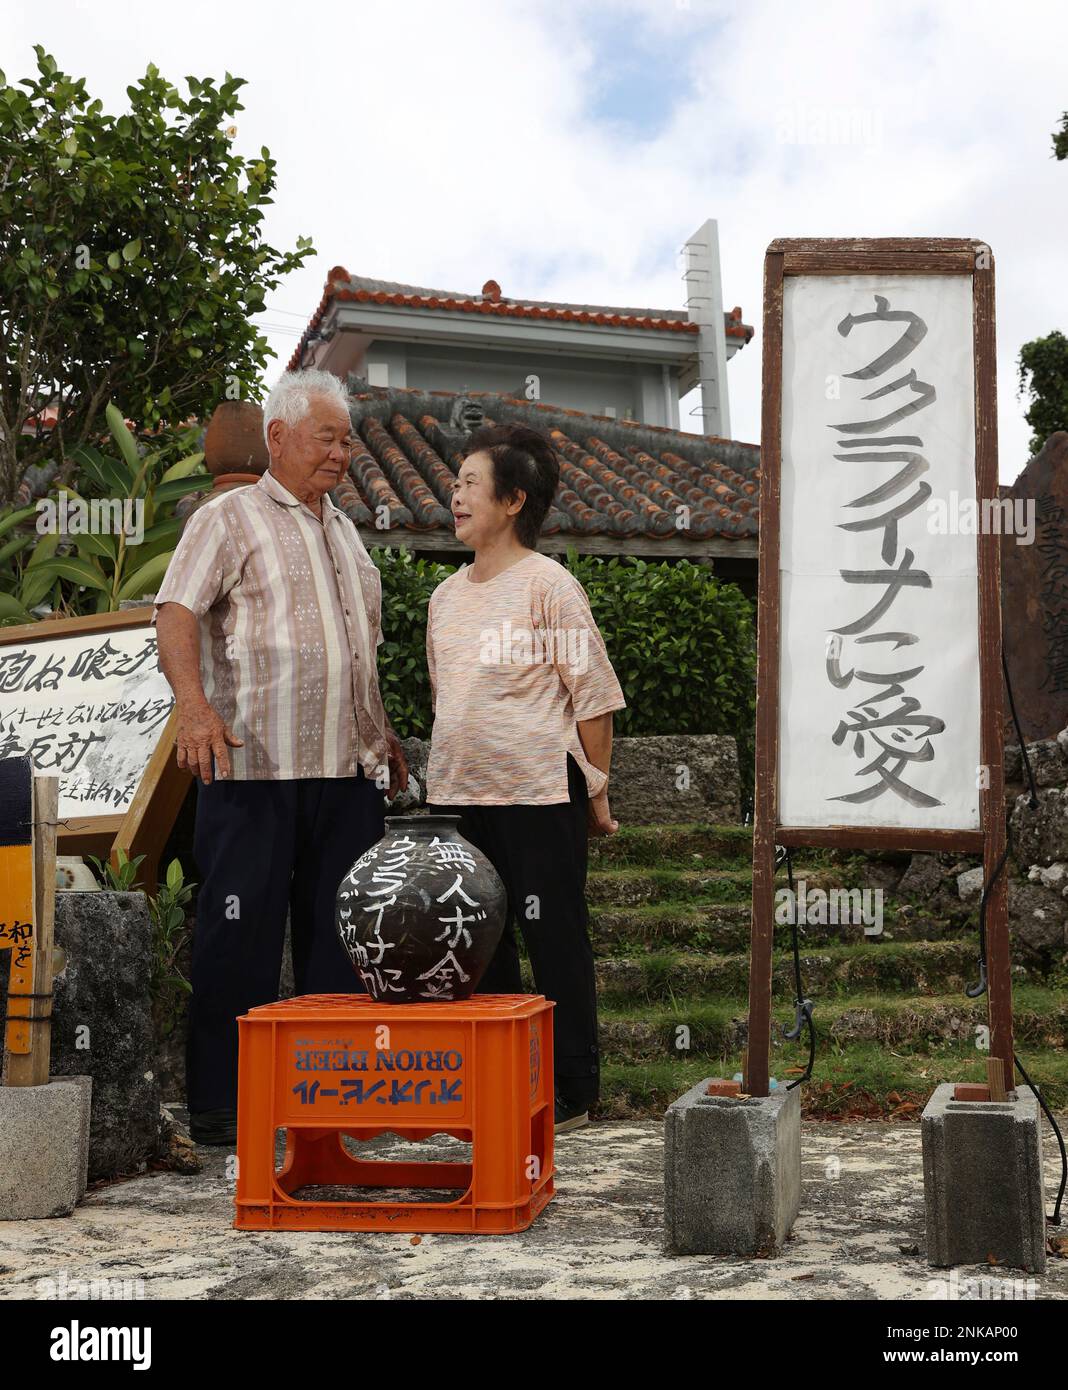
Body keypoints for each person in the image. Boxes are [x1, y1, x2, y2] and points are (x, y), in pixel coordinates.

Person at [153, 369, 407, 1146]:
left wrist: (385, 731)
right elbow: (176, 611)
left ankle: (326, 1109)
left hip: (347, 773)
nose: (343, 453)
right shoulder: (226, 518)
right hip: (253, 768)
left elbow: (356, 649)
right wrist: (192, 707)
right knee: (239, 937)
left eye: (347, 438)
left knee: (341, 945)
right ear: (279, 437)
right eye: (328, 437)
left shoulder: (346, 529)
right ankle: (225, 1112)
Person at [425, 423, 625, 1133]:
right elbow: (446, 697)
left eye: (471, 483)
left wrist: (595, 791)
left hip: (538, 794)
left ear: (512, 500)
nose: (456, 494)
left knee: (554, 938)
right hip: (454, 798)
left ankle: (573, 1089)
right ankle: (498, 1084)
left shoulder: (551, 586)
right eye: (456, 483)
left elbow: (593, 697)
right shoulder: (443, 597)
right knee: (474, 941)